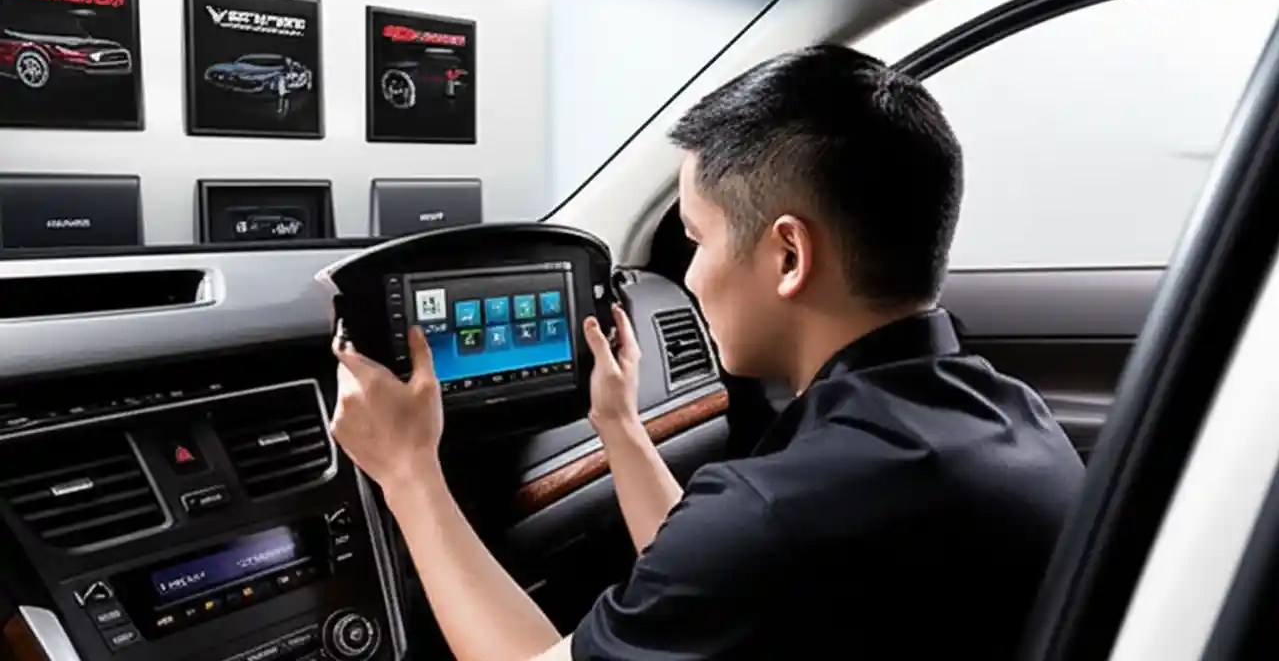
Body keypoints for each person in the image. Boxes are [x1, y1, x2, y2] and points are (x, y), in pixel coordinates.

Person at [330, 45, 1086, 660]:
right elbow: (715, 579)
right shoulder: (1011, 417)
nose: (687, 276)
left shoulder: (781, 512)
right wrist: (620, 427)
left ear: (788, 254)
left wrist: (408, 474)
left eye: (695, 238)